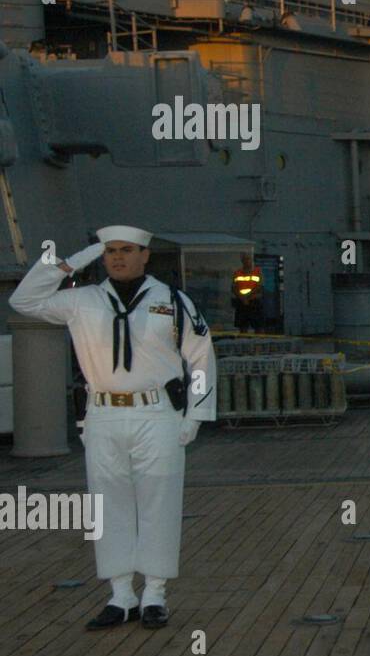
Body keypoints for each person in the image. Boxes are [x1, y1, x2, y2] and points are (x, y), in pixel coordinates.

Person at [10, 226, 217, 630]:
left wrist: (197, 413)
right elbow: (24, 300)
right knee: (108, 505)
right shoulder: (81, 301)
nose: (118, 257)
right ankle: (121, 594)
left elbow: (201, 356)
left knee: (159, 501)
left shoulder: (172, 302)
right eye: (110, 251)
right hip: (103, 414)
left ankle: (155, 592)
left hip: (156, 412)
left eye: (127, 250)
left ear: (145, 255)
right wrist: (66, 262)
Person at [231, 254, 263, 333]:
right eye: (245, 259)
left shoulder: (257, 272)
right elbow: (234, 288)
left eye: (248, 259)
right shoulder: (237, 273)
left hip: (254, 302)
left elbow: (259, 287)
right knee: (242, 326)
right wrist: (242, 298)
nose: (247, 261)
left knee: (258, 325)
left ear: (251, 261)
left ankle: (258, 342)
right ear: (242, 261)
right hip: (241, 302)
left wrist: (247, 297)